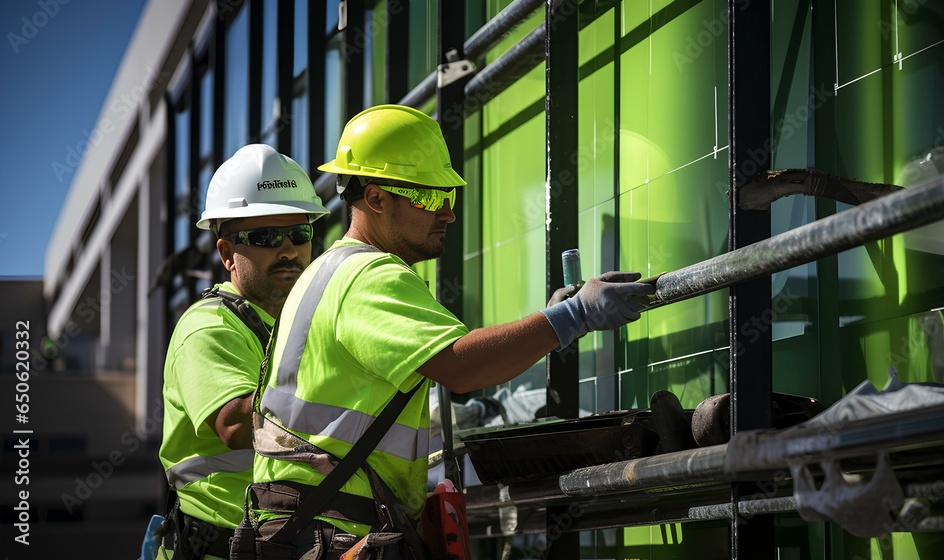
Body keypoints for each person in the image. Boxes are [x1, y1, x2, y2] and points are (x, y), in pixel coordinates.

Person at [248, 105, 654, 557]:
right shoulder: (369, 276)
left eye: (449, 196)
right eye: (427, 198)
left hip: (311, 527)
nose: (447, 213)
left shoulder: (327, 271)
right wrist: (574, 316)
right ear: (377, 198)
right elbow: (462, 365)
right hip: (332, 528)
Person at [158, 144, 329, 559]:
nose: (288, 249)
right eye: (266, 237)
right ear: (227, 254)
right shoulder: (208, 327)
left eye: (299, 233)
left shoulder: (302, 321)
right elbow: (237, 425)